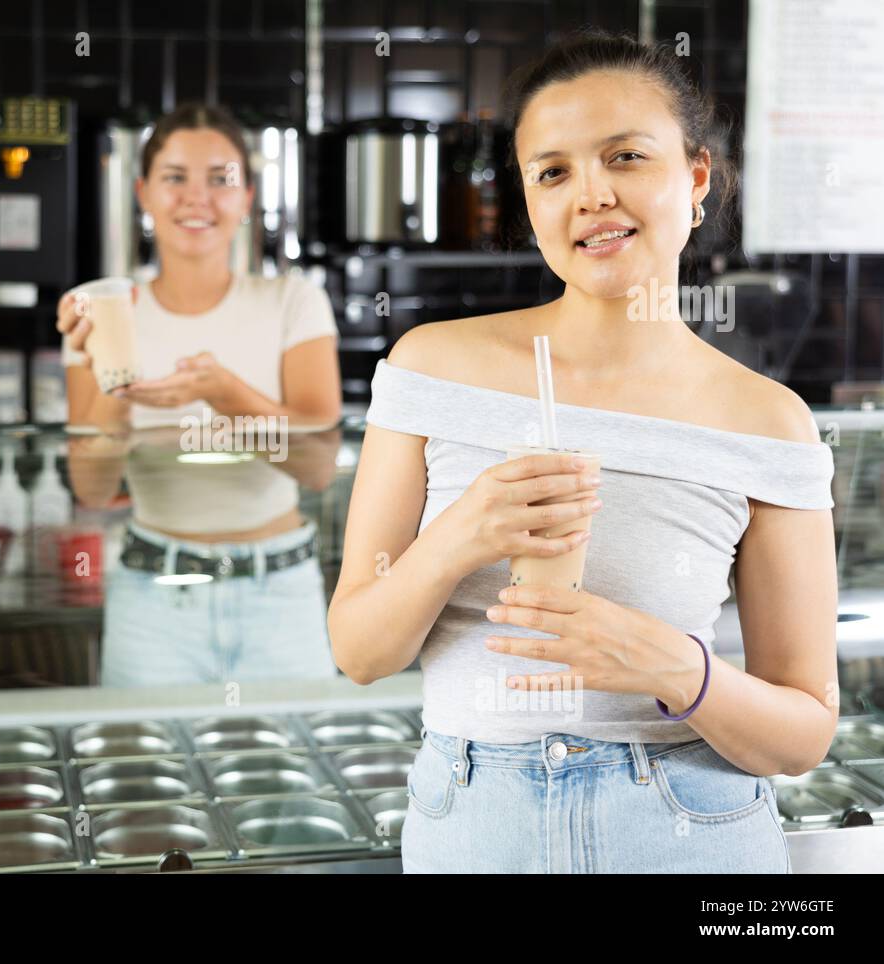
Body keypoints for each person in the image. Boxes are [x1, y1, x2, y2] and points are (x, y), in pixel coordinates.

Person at [328, 30, 837, 873]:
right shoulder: (430, 367)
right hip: (474, 821)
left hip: (686, 821)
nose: (592, 195)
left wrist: (672, 665)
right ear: (529, 203)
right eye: (553, 171)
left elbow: (803, 733)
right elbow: (360, 652)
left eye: (626, 156)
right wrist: (463, 535)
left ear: (697, 178)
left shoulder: (768, 421)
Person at [55, 101, 343, 686]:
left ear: (246, 197)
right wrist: (109, 365)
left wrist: (225, 393)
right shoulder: (102, 310)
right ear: (142, 192)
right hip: (153, 600)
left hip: (281, 598)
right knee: (145, 774)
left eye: (221, 179)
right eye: (175, 178)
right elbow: (93, 486)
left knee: (291, 777)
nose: (197, 198)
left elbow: (316, 465)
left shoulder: (293, 300)